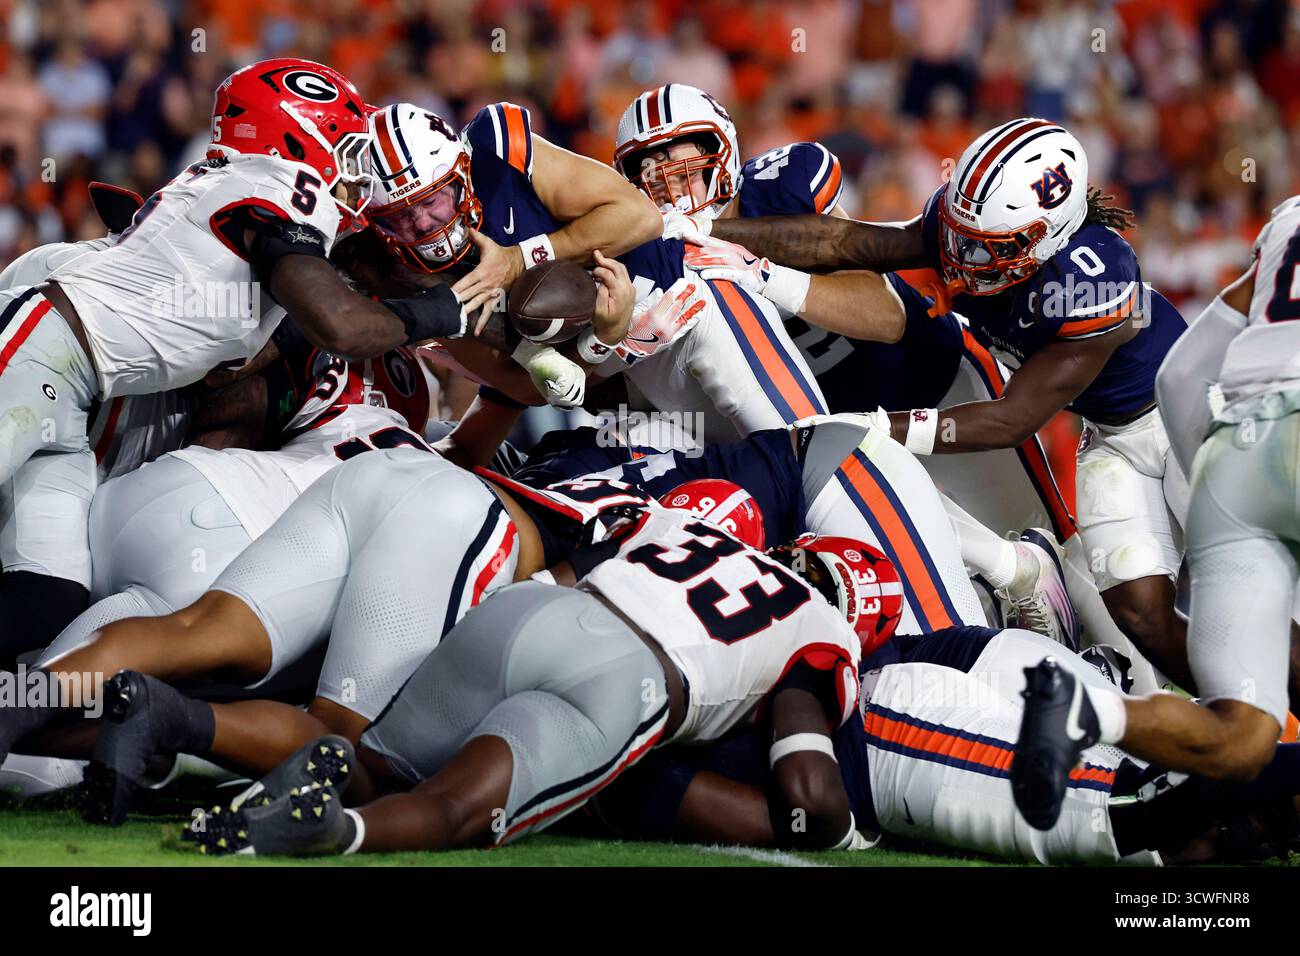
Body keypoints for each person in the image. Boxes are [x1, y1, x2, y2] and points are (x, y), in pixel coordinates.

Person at [1012, 194, 1300, 832]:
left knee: (1244, 726)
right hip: (1251, 443)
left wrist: (1223, 479)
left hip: (1235, 445)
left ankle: (1094, 713)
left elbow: (1180, 375)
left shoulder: (1286, 225)